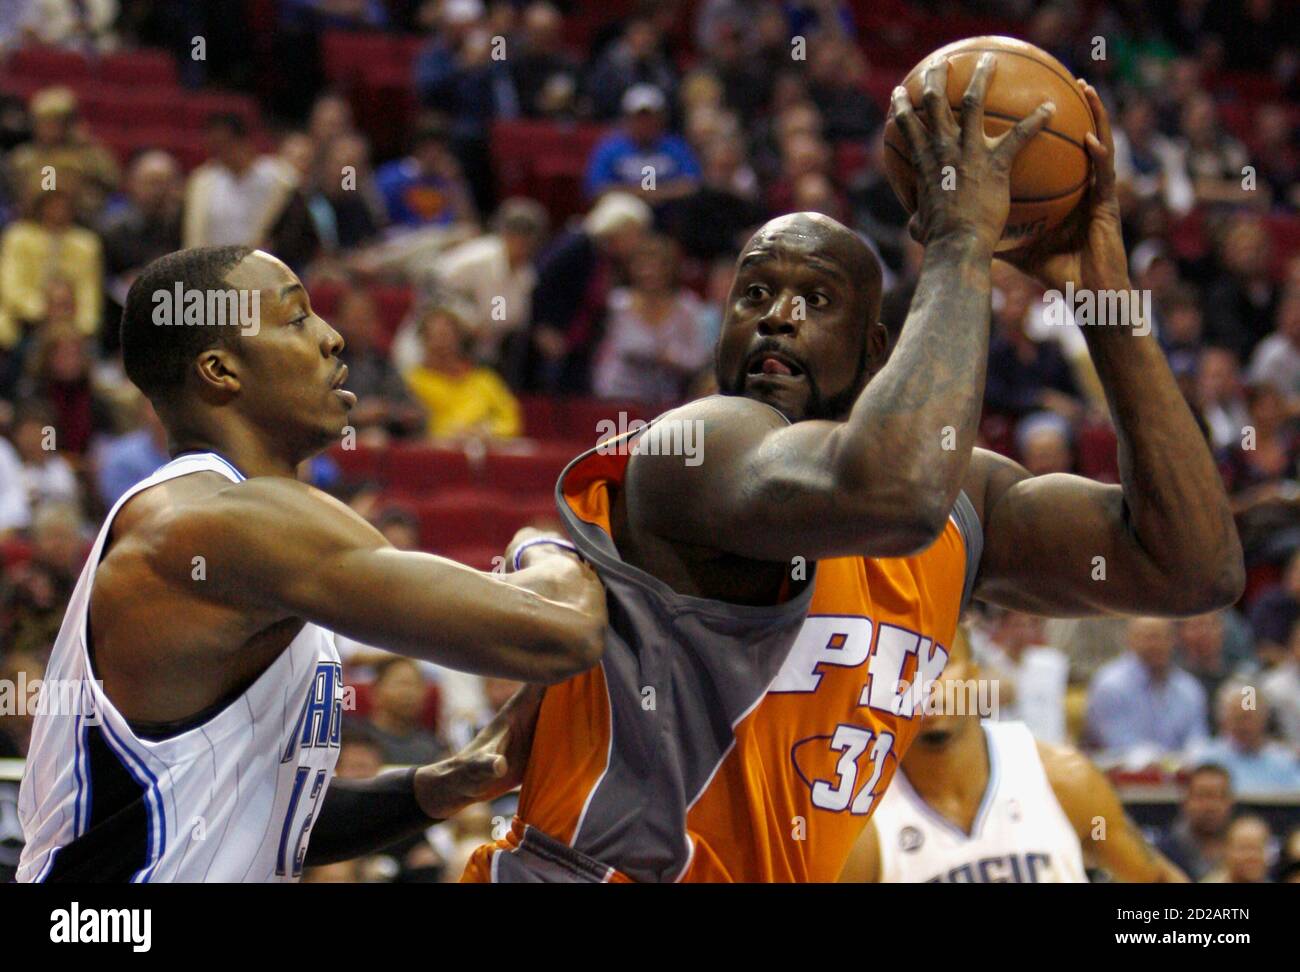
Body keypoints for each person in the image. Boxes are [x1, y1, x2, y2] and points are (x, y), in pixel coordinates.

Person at [462, 63, 1242, 882]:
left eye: (818, 301)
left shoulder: (963, 502)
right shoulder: (691, 451)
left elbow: (1194, 566)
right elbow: (891, 494)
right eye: (754, 291)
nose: (778, 315)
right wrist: (961, 240)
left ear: (875, 352)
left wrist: (1105, 300)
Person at [16, 245, 606, 882]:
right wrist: (546, 540)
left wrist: (443, 784)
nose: (332, 337)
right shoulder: (220, 524)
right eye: (297, 318)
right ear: (219, 370)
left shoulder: (239, 526)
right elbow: (561, 629)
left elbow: (260, 817)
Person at [838, 632, 1185, 882]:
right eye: (903, 674)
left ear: (974, 675)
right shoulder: (862, 822)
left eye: (940, 666)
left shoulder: (1061, 778)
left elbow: (1155, 877)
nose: (926, 687)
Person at [1084, 617, 1209, 762]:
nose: (1157, 644)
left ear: (1174, 641)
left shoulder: (1189, 687)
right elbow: (1118, 744)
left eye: (1165, 637)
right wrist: (1162, 761)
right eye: (1150, 637)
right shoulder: (1109, 685)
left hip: (1181, 775)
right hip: (1123, 775)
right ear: (1130, 640)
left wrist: (1195, 757)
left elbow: (1198, 739)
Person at [1154, 763, 1234, 881]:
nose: (1211, 806)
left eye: (1219, 796)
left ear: (1230, 802)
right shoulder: (1163, 852)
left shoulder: (1244, 850)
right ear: (1186, 801)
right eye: (1203, 796)